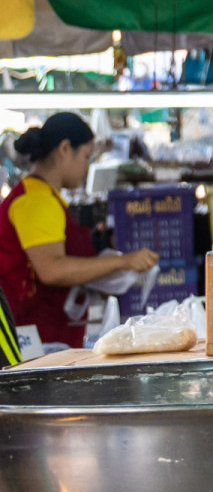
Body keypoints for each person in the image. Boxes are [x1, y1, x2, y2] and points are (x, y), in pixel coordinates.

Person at [0, 113, 158, 350]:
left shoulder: (44, 197)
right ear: (65, 149)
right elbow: (52, 270)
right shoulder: (36, 201)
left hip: (48, 334)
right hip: (32, 338)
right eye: (86, 156)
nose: (87, 166)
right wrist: (123, 262)